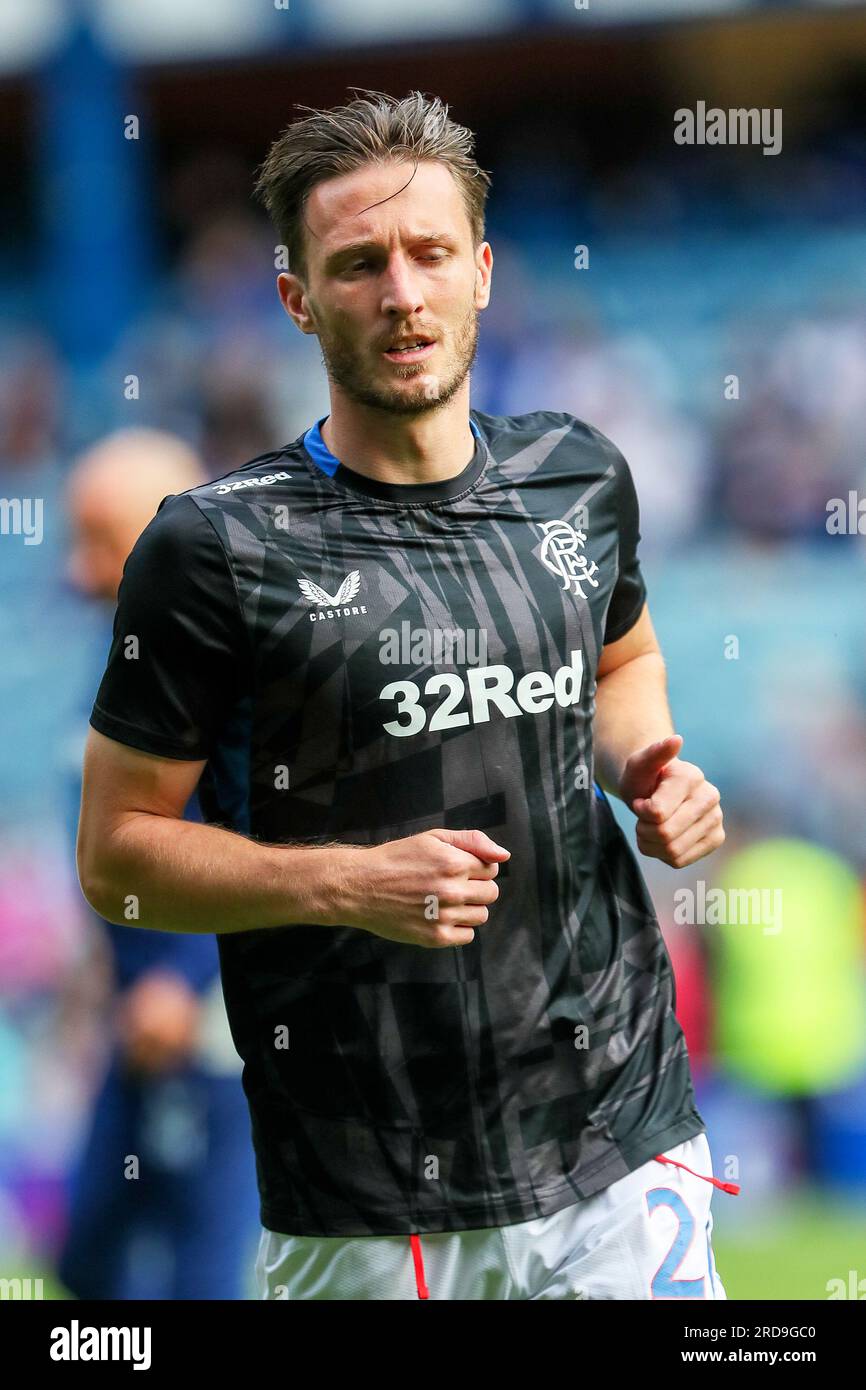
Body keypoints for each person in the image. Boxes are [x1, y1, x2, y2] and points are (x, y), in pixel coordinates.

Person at [76, 92, 729, 1301]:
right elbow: (116, 858)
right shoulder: (213, 548)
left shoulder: (574, 477)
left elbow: (620, 666)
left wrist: (644, 766)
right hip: (367, 1197)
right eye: (359, 263)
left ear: (481, 271)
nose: (402, 293)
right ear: (297, 297)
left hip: (619, 1135)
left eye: (430, 254)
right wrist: (341, 883)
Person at [60, 429, 258, 1299]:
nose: (76, 570)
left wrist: (189, 979)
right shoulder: (117, 669)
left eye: (98, 541)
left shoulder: (238, 677)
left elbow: (259, 842)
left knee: (201, 1263)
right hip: (137, 1020)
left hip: (209, 1030)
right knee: (88, 1260)